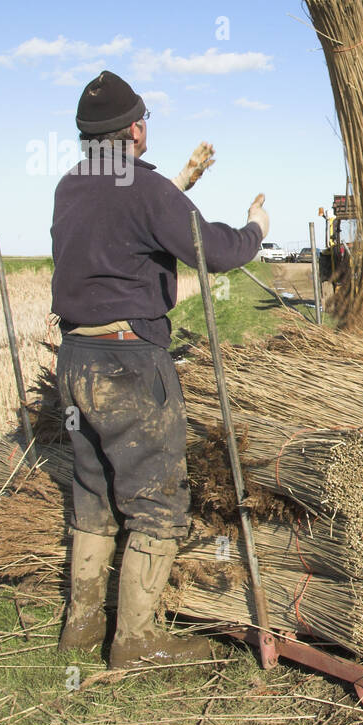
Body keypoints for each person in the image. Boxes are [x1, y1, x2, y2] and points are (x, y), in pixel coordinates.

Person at [50, 70, 270, 669]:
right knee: (157, 499)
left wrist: (177, 185)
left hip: (75, 358)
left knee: (94, 493)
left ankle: (82, 625)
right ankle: (137, 641)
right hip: (128, 359)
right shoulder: (144, 188)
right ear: (137, 128)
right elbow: (215, 250)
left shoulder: (71, 187)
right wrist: (257, 229)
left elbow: (120, 238)